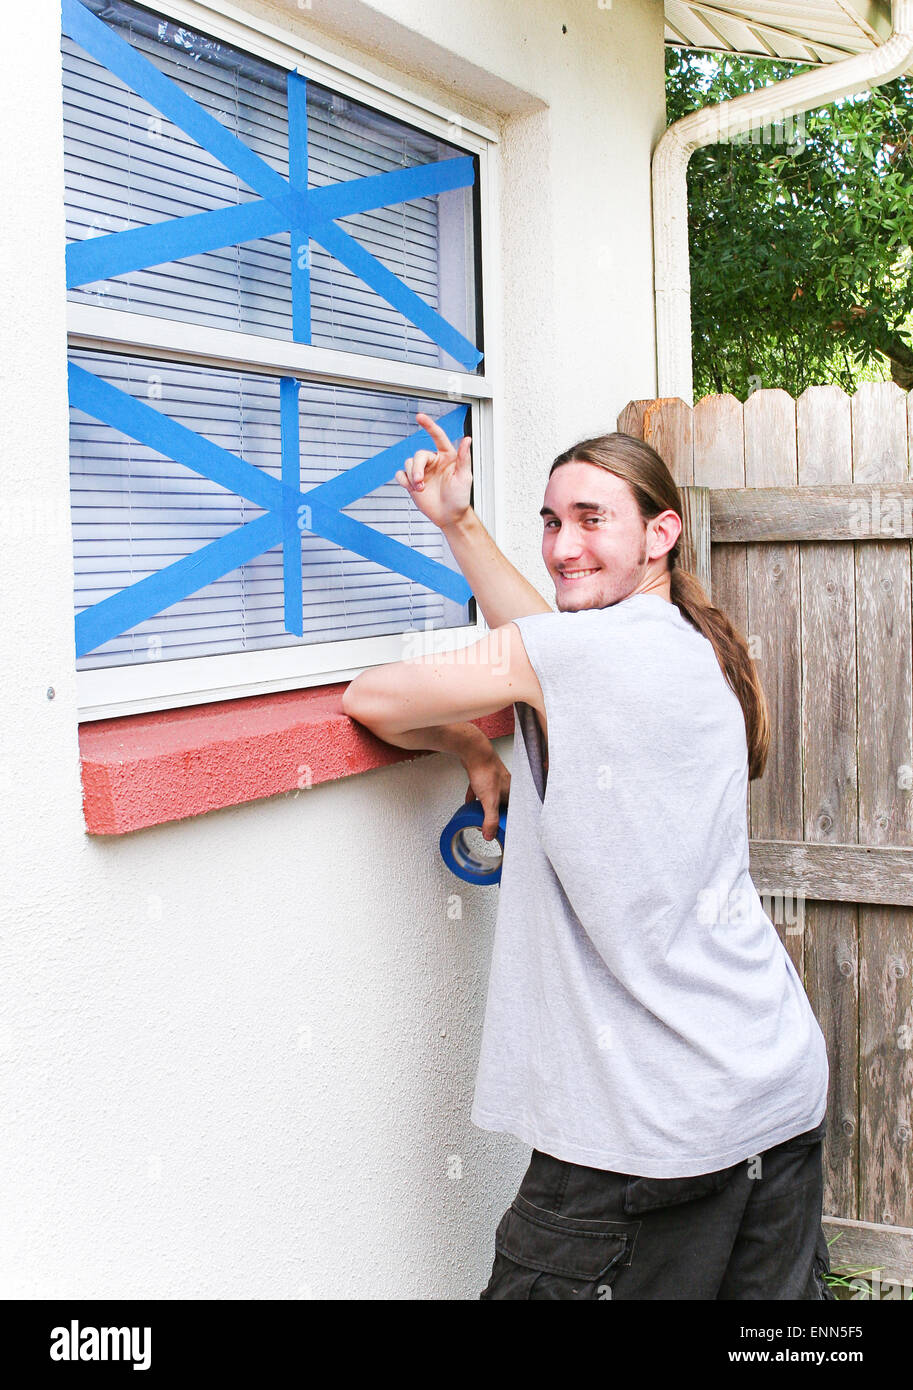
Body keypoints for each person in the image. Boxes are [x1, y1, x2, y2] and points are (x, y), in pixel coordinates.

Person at [341, 415, 835, 1302]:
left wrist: (469, 746)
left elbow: (373, 697)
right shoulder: (693, 645)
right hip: (771, 1090)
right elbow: (548, 655)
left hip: (644, 1132)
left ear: (660, 533)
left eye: (590, 519)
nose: (563, 545)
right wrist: (458, 524)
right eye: (548, 520)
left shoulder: (583, 656)